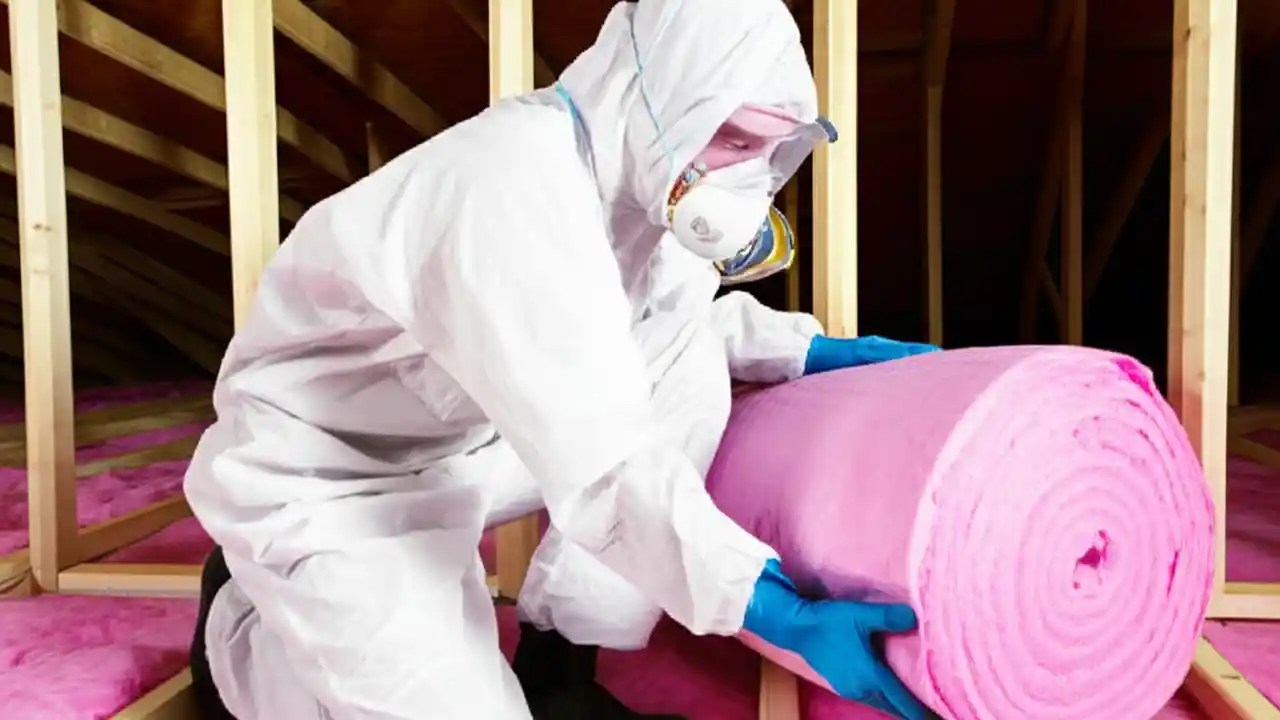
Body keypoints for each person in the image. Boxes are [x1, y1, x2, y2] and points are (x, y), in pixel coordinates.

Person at [184, 1, 937, 719]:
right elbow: (606, 462)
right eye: (737, 142)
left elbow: (656, 329)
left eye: (771, 152)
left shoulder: (644, 185)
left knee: (693, 368)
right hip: (323, 482)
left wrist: (802, 349)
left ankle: (561, 668)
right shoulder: (509, 183)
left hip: (452, 448)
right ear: (665, 99)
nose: (749, 177)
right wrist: (771, 607)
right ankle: (239, 632)